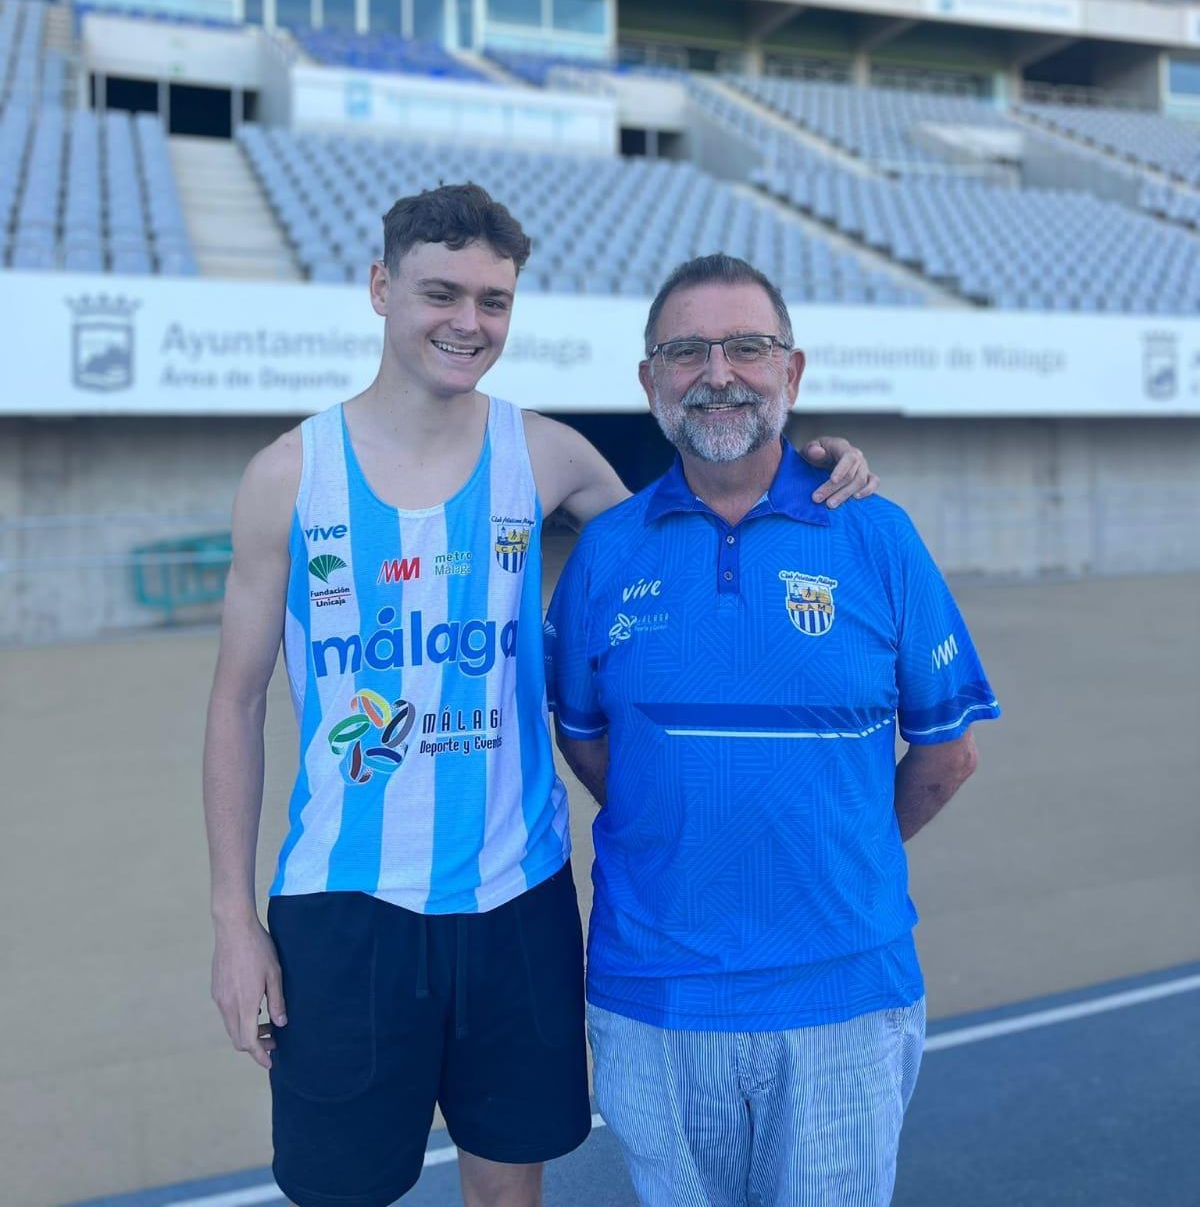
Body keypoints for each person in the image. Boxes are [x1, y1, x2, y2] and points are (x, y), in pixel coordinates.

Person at [203, 186, 881, 1207]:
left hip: (516, 900)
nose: (468, 322)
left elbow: (696, 517)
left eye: (494, 299)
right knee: (340, 1191)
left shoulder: (549, 456)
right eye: (440, 291)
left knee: (510, 1191)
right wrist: (230, 920)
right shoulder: (288, 476)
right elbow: (234, 704)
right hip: (342, 906)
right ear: (381, 287)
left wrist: (810, 458)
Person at [546, 252, 1001, 1207]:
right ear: (649, 381)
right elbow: (590, 742)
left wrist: (839, 836)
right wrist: (685, 816)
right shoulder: (607, 552)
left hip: (845, 992)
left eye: (748, 347)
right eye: (686, 351)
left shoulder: (879, 536)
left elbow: (949, 752)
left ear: (791, 373)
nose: (718, 373)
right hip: (656, 998)